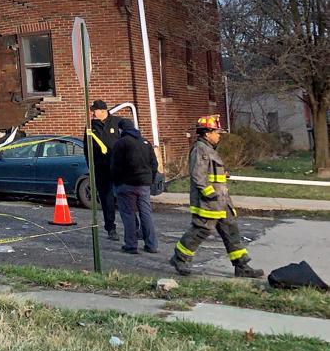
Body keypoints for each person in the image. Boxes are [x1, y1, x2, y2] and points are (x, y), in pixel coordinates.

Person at [170, 115, 264, 278]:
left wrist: (222, 174)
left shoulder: (209, 149)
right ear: (207, 133)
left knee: (231, 230)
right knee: (201, 230)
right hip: (209, 202)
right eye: (216, 132)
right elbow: (198, 176)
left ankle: (241, 266)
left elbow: (210, 172)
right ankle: (180, 258)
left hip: (222, 201)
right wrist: (209, 194)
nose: (219, 135)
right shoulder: (200, 148)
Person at [109, 119, 159, 254]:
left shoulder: (121, 143)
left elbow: (115, 166)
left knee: (128, 214)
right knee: (146, 214)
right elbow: (154, 164)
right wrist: (151, 179)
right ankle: (151, 244)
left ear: (121, 130)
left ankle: (131, 245)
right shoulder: (145, 142)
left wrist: (116, 182)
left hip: (126, 184)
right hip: (144, 184)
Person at [85, 100, 123, 241]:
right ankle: (110, 228)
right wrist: (91, 166)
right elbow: (86, 148)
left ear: (102, 110)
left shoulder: (117, 122)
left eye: (94, 110)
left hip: (117, 167)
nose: (92, 113)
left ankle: (135, 227)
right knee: (106, 199)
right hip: (101, 168)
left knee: (124, 197)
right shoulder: (91, 126)